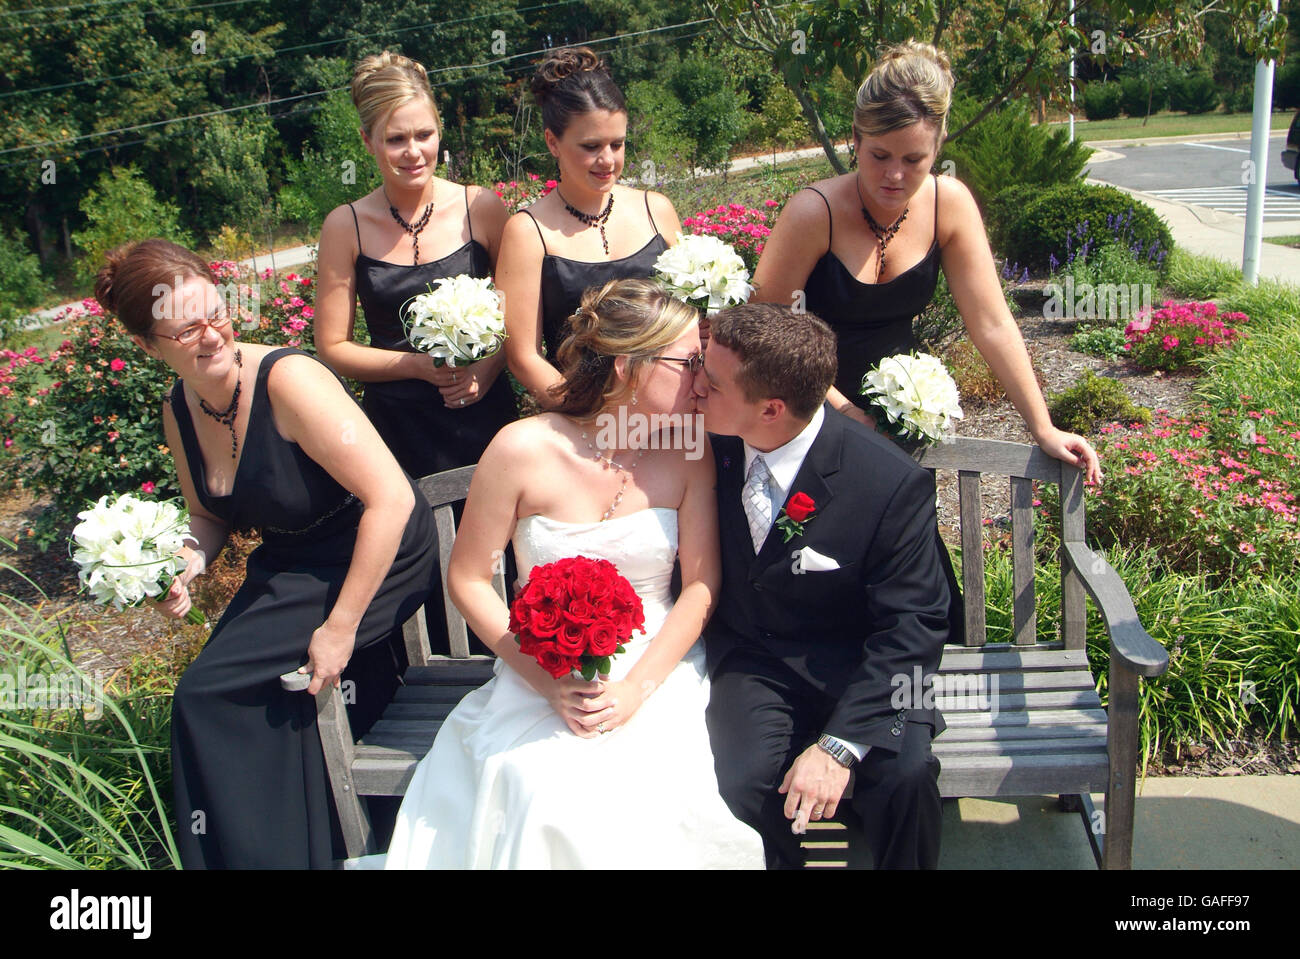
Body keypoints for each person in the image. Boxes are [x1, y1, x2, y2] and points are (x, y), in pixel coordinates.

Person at [371, 279, 764, 868]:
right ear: (631, 367)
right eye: (690, 362)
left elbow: (702, 586)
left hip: (659, 665)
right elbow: (469, 578)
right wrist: (545, 680)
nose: (703, 379)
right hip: (542, 665)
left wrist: (636, 690)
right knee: (538, 788)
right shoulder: (521, 449)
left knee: (652, 791)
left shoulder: (690, 449)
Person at [99, 239, 438, 868]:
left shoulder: (291, 380)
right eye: (187, 329)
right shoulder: (179, 411)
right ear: (149, 347)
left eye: (217, 314)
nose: (212, 335)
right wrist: (186, 563)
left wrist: (340, 629)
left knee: (223, 690)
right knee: (203, 693)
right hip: (292, 562)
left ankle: (296, 848)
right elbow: (207, 514)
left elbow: (389, 500)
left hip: (377, 547)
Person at [750, 40, 1101, 486]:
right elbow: (765, 338)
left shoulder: (948, 204)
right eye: (879, 156)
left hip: (898, 426)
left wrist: (1042, 426)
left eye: (914, 159)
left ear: (938, 148)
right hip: (804, 414)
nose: (895, 176)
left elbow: (991, 324)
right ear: (855, 140)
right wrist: (842, 410)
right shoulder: (812, 212)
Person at [694, 303, 950, 869]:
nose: (695, 386)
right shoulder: (707, 445)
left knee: (905, 778)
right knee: (736, 783)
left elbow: (915, 625)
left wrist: (839, 747)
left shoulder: (889, 483)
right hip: (754, 657)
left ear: (771, 409)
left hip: (865, 664)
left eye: (710, 381)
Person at [316, 51, 514, 479]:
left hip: (487, 415)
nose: (413, 152)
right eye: (394, 140)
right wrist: (417, 367)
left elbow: (518, 310)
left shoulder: (480, 207)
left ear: (439, 133)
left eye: (424, 134)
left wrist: (486, 367)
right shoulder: (344, 226)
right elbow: (332, 347)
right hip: (398, 430)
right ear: (367, 141)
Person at [498, 46, 683, 411]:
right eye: (591, 146)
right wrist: (592, 414)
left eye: (617, 144)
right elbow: (523, 356)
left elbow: (691, 317)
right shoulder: (527, 231)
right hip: (581, 415)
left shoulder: (656, 210)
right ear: (553, 141)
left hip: (673, 411)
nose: (608, 160)